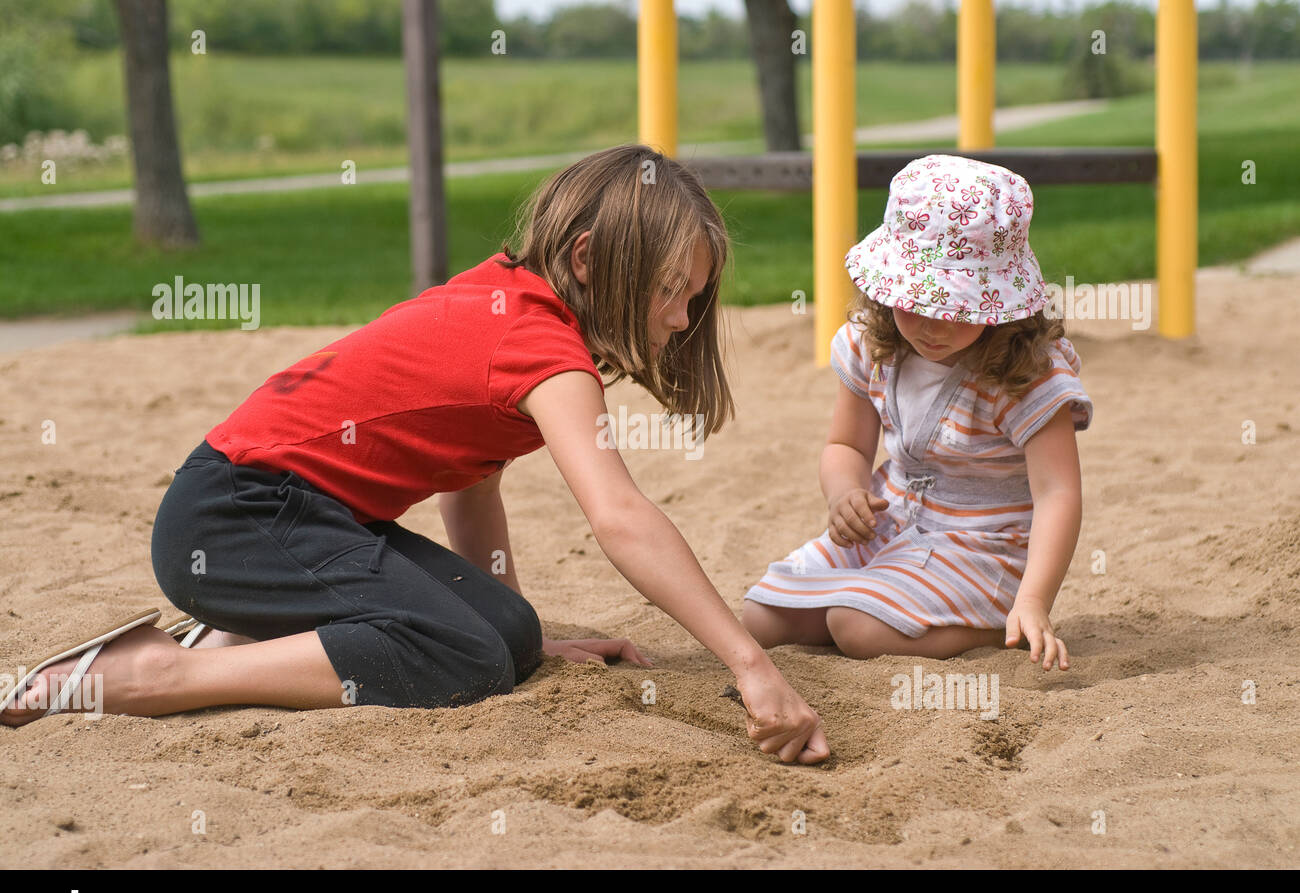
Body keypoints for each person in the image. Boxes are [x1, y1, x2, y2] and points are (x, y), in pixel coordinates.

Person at [2, 144, 828, 764]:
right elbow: (620, 518)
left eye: (692, 297)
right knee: (464, 657)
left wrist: (521, 628)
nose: (682, 319)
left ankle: (225, 637)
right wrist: (749, 663)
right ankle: (158, 674)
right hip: (240, 516)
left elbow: (470, 487)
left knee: (504, 634)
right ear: (588, 259)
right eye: (669, 291)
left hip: (276, 514)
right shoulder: (544, 352)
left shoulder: (514, 298)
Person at [742, 154, 1092, 671]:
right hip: (893, 527)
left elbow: (1059, 493)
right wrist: (844, 494)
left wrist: (1034, 599)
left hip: (982, 551)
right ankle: (881, 590)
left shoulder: (1025, 374)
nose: (931, 325)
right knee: (761, 617)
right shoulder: (873, 345)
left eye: (951, 308)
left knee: (853, 626)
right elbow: (845, 447)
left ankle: (995, 623)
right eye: (914, 301)